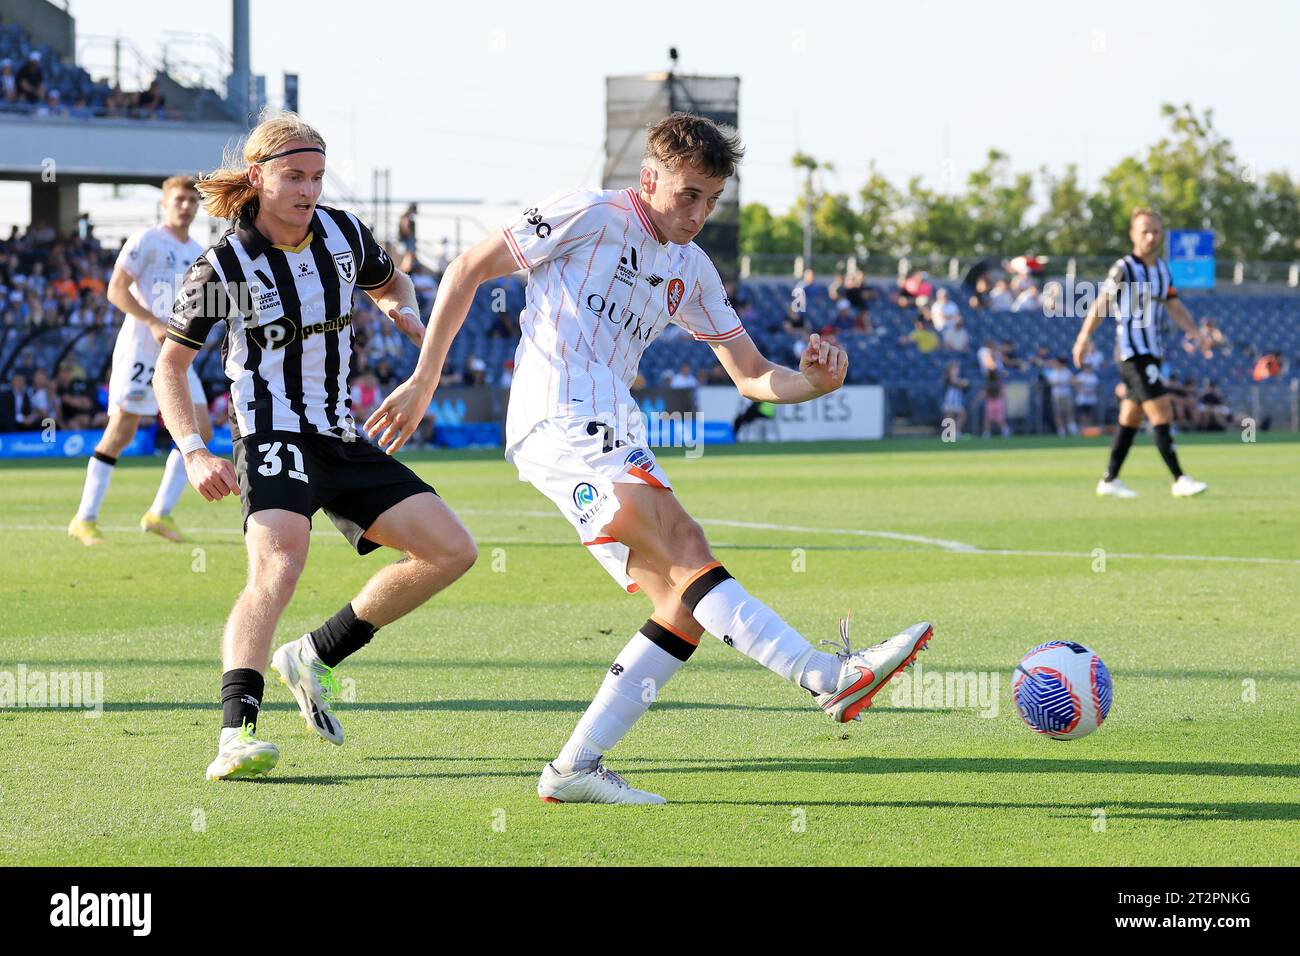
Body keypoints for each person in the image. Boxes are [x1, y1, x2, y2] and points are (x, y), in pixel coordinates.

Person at [366, 112, 932, 805]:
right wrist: (424, 380)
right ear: (650, 178)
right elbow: (468, 267)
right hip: (558, 416)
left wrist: (815, 381)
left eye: (712, 200)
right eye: (687, 194)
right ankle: (827, 677)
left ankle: (574, 767)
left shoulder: (691, 269)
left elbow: (752, 374)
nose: (698, 213)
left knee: (682, 603)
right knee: (684, 541)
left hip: (613, 425)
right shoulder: (589, 213)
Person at [152, 112, 478, 781]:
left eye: (317, 177)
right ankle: (234, 735)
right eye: (294, 176)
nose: (308, 190)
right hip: (271, 433)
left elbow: (393, 282)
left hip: (340, 433)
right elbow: (171, 367)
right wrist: (193, 449)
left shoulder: (343, 232)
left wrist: (400, 309)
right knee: (278, 568)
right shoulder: (226, 264)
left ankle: (315, 656)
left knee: (452, 551)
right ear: (258, 176)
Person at [68, 175, 216, 546]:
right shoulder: (147, 240)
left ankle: (159, 512)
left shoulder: (198, 250)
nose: (186, 206)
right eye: (179, 200)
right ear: (165, 204)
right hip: (141, 347)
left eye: (192, 201)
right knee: (123, 429)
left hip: (177, 353)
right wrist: (151, 321)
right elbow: (115, 290)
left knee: (201, 429)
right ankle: (84, 518)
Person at [1073, 208, 1208, 498]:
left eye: (1156, 231)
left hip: (1152, 351)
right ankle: (1179, 478)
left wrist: (1195, 332)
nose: (1151, 236)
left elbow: (1173, 305)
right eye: (1144, 231)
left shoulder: (1162, 269)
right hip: (1132, 352)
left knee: (1131, 417)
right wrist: (1084, 337)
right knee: (1162, 409)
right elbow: (1102, 302)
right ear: (1133, 234)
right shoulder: (1124, 268)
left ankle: (1109, 480)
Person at [940, 362, 968, 436]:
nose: (956, 371)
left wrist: (963, 383)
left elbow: (966, 384)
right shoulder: (948, 379)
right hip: (950, 401)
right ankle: (948, 434)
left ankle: (956, 432)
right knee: (950, 418)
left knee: (962, 415)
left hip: (957, 402)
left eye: (957, 369)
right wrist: (962, 383)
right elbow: (956, 382)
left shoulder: (958, 378)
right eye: (954, 369)